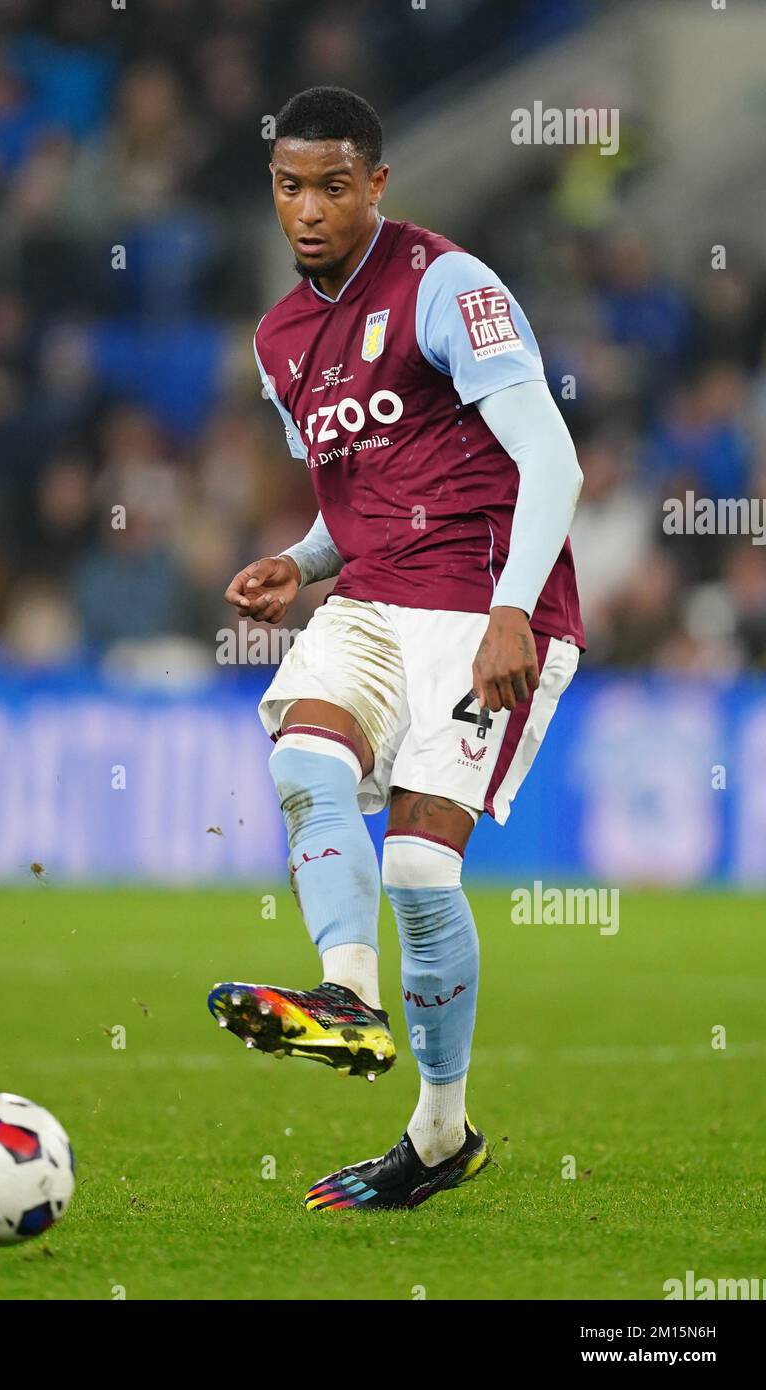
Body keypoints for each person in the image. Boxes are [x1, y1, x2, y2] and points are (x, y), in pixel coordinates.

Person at [209, 87, 584, 1212]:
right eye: (289, 186)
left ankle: (436, 1132)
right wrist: (302, 561)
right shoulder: (278, 340)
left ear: (375, 184)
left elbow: (552, 461)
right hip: (370, 602)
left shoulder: (445, 286)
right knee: (301, 758)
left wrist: (513, 610)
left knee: (421, 870)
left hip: (483, 611)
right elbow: (365, 494)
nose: (309, 208)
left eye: (333, 184)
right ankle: (344, 996)